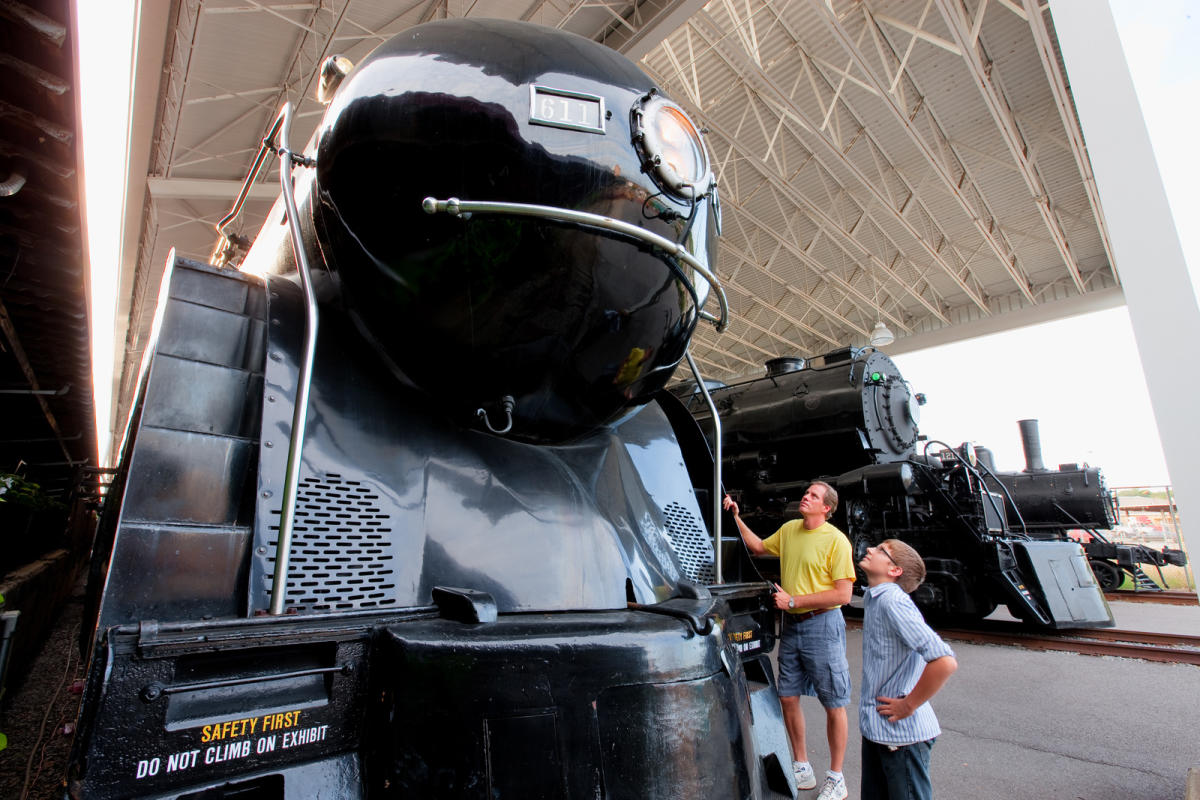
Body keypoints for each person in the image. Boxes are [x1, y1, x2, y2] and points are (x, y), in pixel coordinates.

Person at [724, 483, 854, 800]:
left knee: (833, 702)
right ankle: (802, 766)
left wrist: (794, 601)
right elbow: (758, 547)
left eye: (813, 496)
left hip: (822, 624)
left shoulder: (836, 541)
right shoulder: (790, 529)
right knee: (788, 696)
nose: (805, 497)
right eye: (806, 493)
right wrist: (736, 517)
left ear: (826, 508)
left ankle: (837, 777)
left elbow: (843, 594)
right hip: (794, 625)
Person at [857, 539, 958, 800]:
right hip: (880, 730)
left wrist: (908, 705)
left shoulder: (892, 602)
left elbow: (944, 661)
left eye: (881, 550)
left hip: (901, 738)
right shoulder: (875, 597)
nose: (870, 549)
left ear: (895, 570)